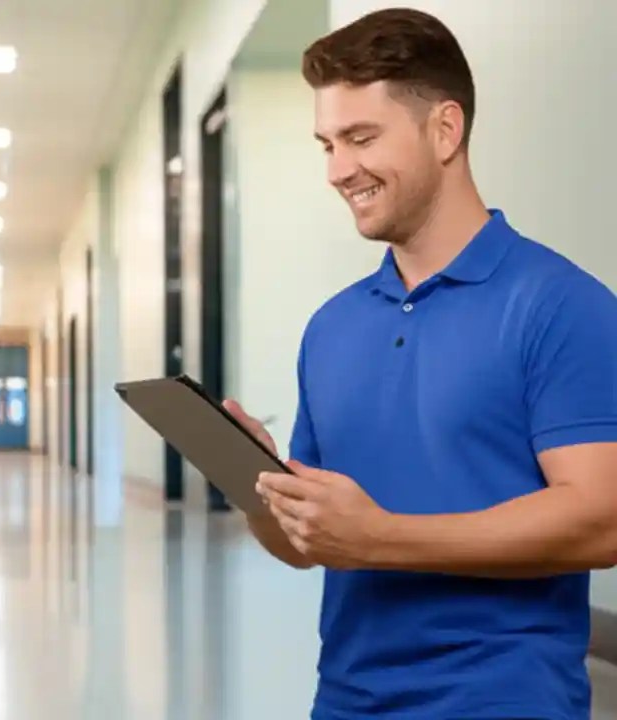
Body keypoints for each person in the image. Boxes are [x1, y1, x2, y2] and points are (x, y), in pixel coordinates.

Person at [223, 7, 617, 719]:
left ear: (445, 129)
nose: (340, 170)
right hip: (346, 700)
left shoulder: (562, 305)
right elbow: (313, 546)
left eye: (361, 138)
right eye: (327, 144)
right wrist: (258, 490)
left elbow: (602, 520)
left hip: (504, 701)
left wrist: (383, 538)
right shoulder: (332, 328)